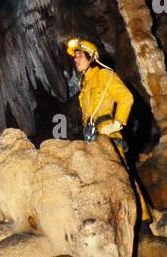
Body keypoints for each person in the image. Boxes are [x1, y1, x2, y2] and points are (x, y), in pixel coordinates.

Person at [65, 37, 152, 223]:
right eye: (74, 57)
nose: (75, 59)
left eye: (79, 55)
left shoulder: (104, 75)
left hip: (108, 133)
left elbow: (126, 98)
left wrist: (118, 123)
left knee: (120, 174)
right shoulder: (84, 86)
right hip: (92, 138)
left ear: (90, 57)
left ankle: (142, 219)